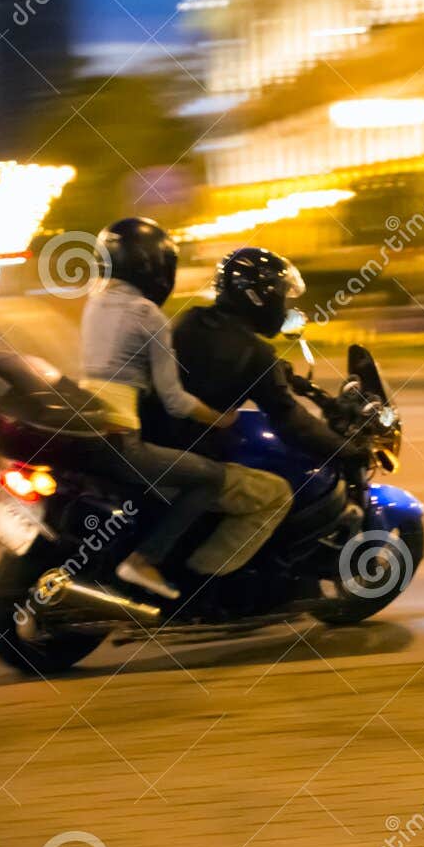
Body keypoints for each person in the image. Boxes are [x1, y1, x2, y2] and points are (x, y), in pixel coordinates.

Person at [79, 217, 264, 600]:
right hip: (121, 439)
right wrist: (221, 419)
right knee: (210, 478)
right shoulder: (149, 316)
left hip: (87, 426)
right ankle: (144, 560)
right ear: (153, 266)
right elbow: (175, 401)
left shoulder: (93, 301)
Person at [143, 247, 351, 466]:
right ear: (258, 296)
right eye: (280, 295)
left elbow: (211, 361)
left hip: (156, 442)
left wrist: (279, 369)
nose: (282, 306)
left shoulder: (191, 320)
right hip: (188, 458)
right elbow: (292, 422)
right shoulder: (255, 353)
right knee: (277, 488)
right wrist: (350, 451)